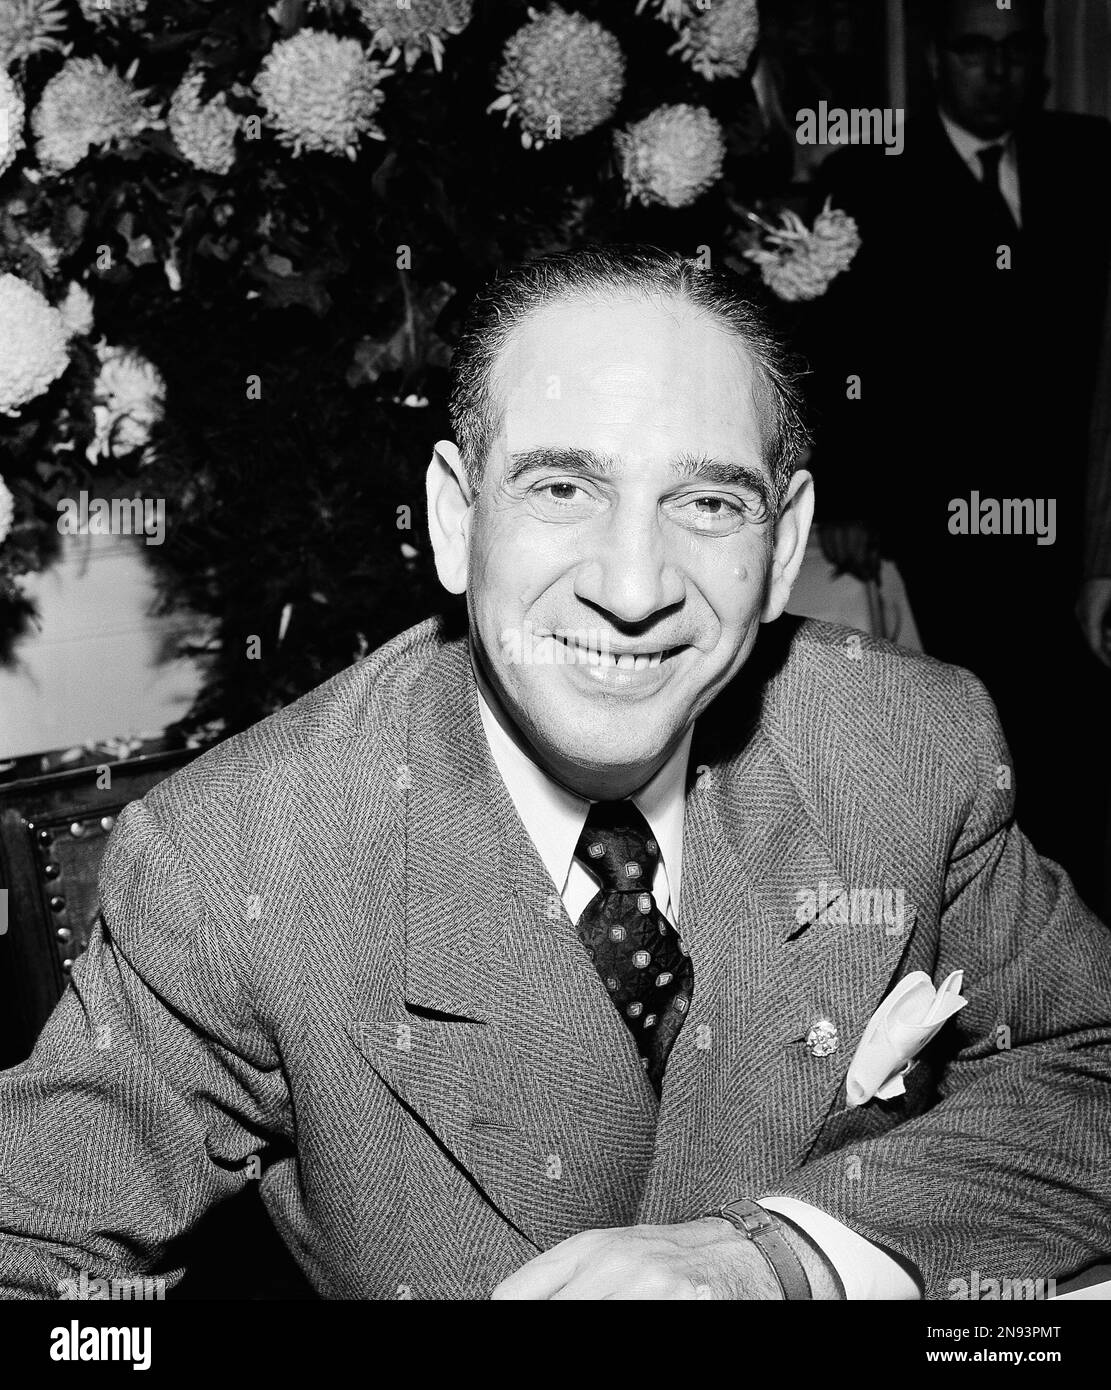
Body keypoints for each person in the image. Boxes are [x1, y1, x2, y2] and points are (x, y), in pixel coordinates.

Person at [1, 245, 1110, 1301]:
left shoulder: (905, 745)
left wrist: (782, 1258)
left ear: (781, 550)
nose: (633, 585)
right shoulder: (242, 857)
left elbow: (1091, 1069)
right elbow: (32, 1249)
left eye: (708, 502)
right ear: (453, 516)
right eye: (562, 488)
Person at [801, 0, 1111, 907]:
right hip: (931, 520)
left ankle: (1074, 958)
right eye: (976, 50)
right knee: (964, 744)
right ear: (936, 58)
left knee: (1071, 750)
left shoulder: (1090, 157)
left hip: (1067, 520)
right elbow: (833, 344)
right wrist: (846, 492)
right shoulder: (871, 175)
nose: (998, 70)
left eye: (1018, 51)